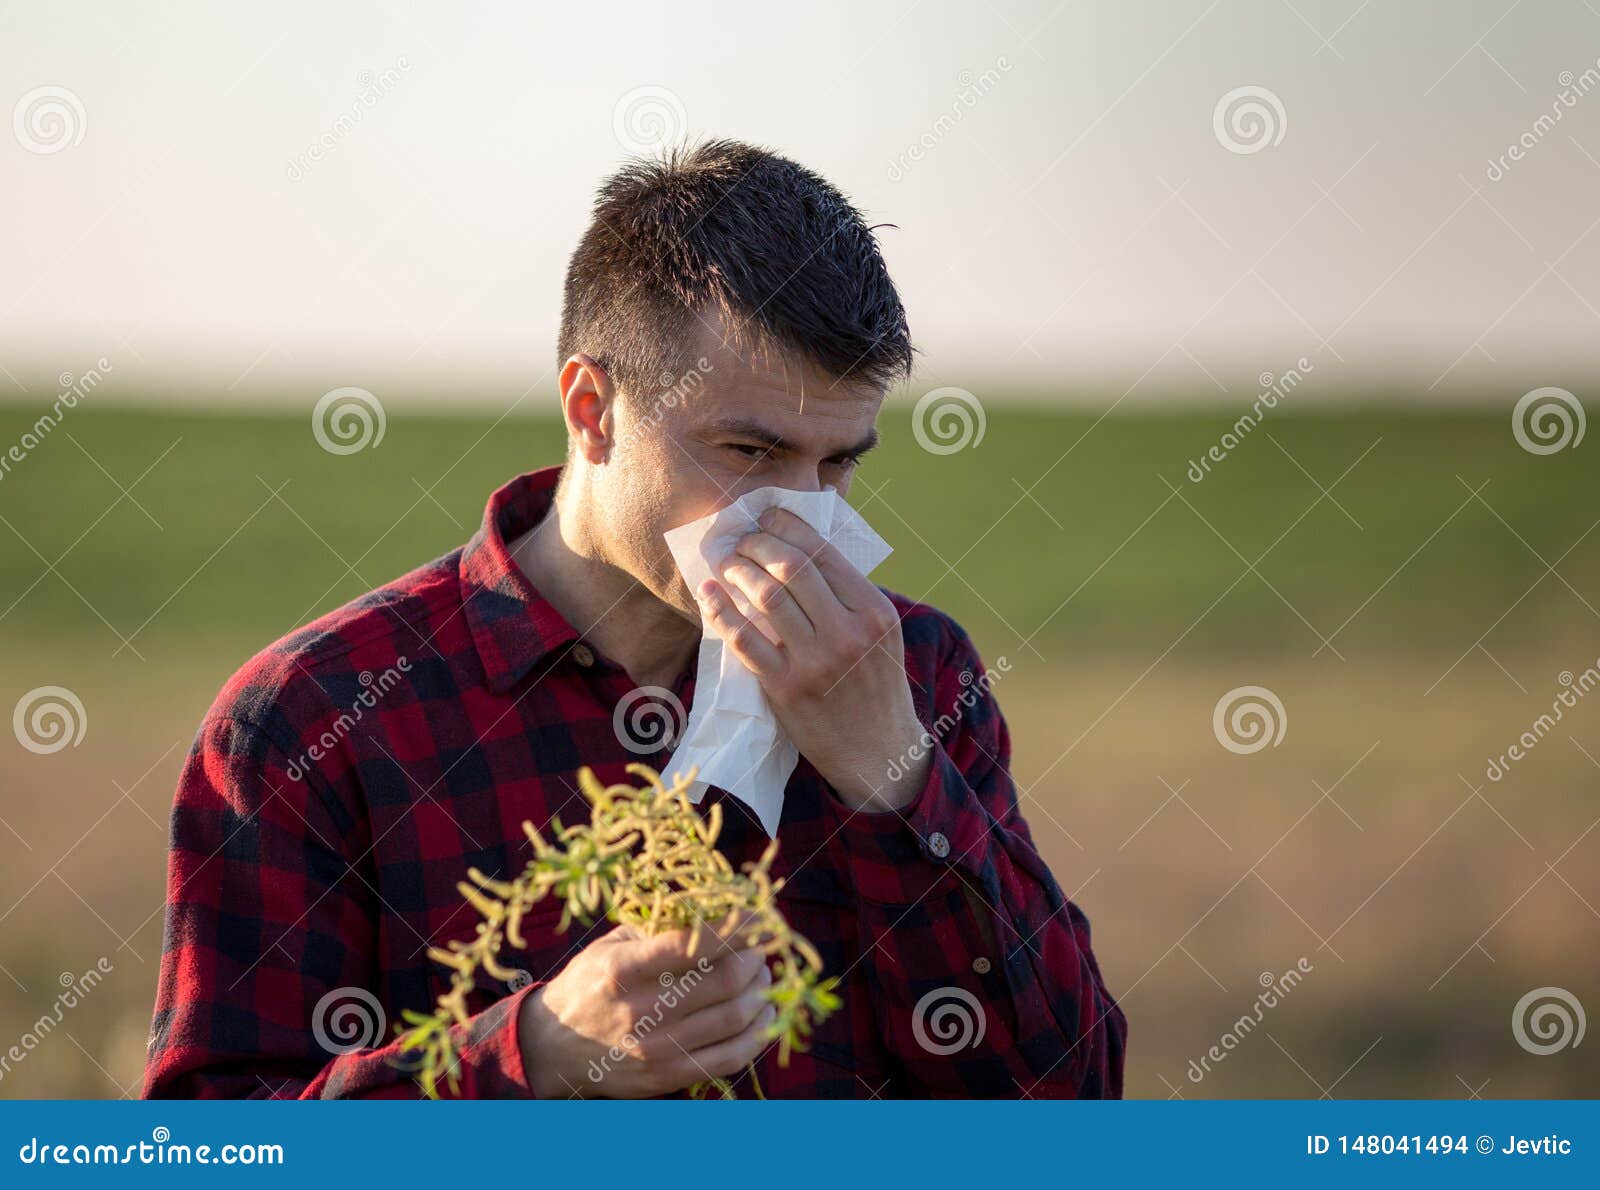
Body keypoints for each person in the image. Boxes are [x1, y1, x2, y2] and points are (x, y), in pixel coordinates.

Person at [142, 139, 1126, 1099]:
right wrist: (532, 1056)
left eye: (837, 463)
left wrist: (892, 774)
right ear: (592, 409)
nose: (796, 517)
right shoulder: (318, 717)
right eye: (748, 452)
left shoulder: (912, 670)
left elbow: (1069, 1095)